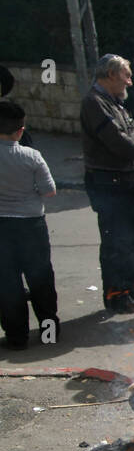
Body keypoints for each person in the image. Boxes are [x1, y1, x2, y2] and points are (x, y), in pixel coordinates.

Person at [80, 54, 134, 313]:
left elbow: (132, 134)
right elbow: (115, 140)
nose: (129, 82)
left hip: (128, 179)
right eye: (126, 76)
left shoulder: (114, 102)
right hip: (108, 182)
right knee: (117, 241)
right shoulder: (94, 103)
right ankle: (117, 295)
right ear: (111, 75)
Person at [0, 100, 58, 349]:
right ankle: (48, 332)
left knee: (7, 283)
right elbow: (49, 191)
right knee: (40, 279)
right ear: (21, 130)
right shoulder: (32, 156)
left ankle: (16, 337)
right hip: (32, 225)